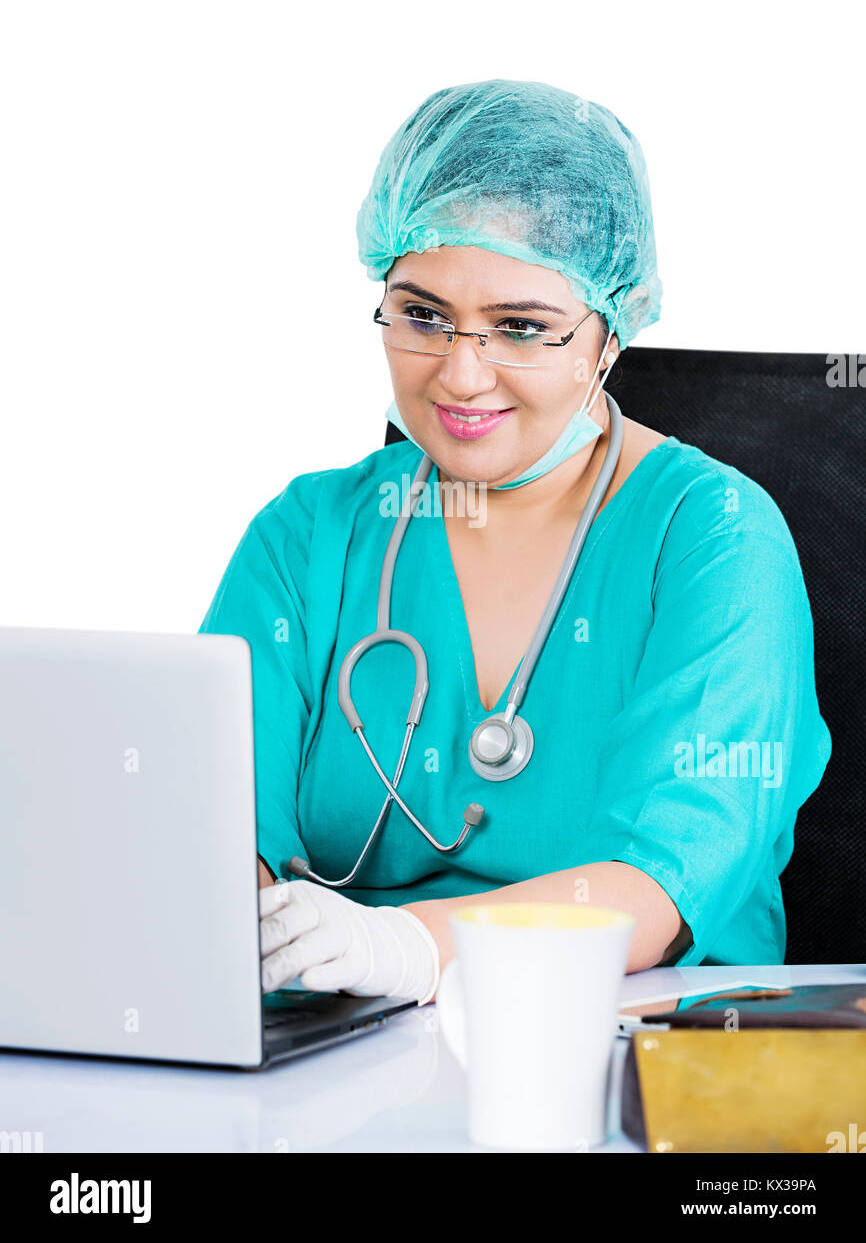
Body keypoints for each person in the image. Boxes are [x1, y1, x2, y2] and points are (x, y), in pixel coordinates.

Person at [199, 79, 831, 1007]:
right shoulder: (307, 539)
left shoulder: (714, 540)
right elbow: (214, 840)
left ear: (609, 333)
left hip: (637, 1060)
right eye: (421, 314)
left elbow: (664, 883)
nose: (460, 374)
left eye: (521, 329)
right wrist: (256, 969)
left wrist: (406, 949)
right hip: (338, 1060)